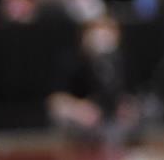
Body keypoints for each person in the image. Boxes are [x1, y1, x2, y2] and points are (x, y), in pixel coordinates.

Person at [48, 15, 145, 151]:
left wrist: (128, 106)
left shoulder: (123, 62)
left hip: (115, 122)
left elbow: (133, 94)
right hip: (84, 121)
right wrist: (78, 109)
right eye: (96, 33)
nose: (102, 39)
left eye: (107, 33)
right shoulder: (71, 62)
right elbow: (56, 100)